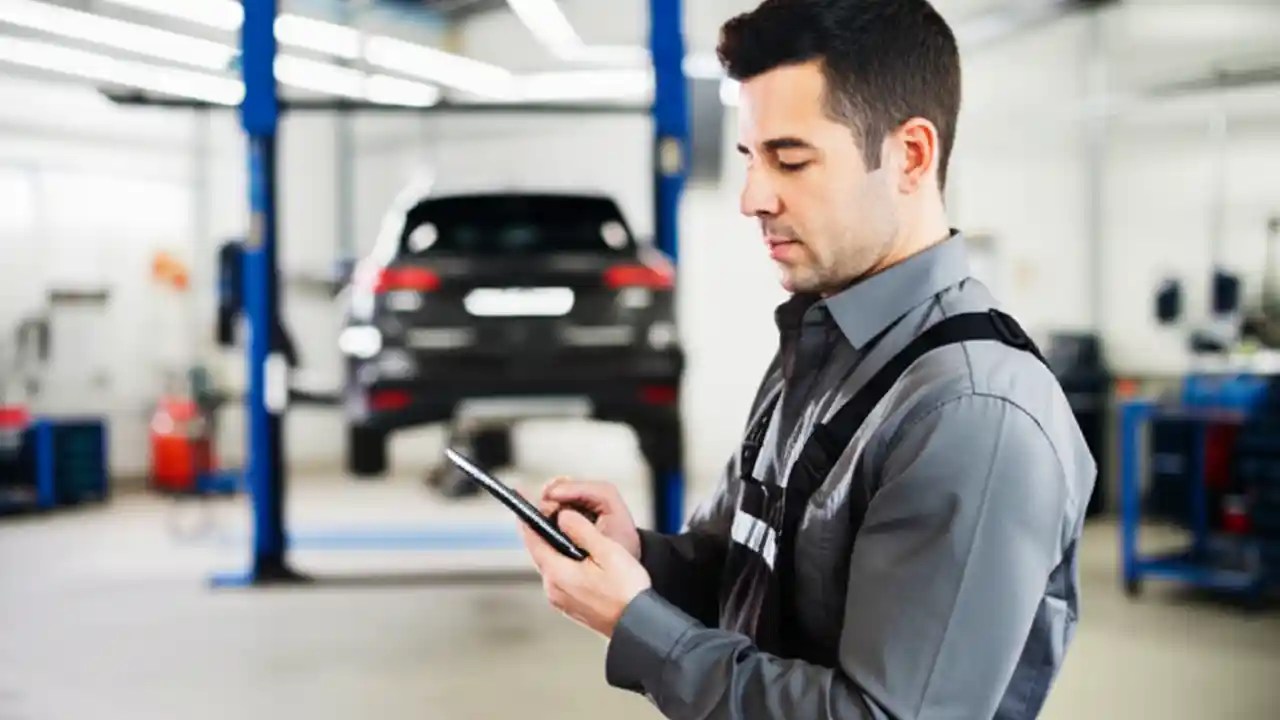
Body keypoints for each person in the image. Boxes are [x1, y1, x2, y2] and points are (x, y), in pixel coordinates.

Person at [516, 1, 1096, 718]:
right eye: (750, 158)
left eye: (791, 159)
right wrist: (638, 556)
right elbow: (748, 570)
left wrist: (638, 626)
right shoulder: (823, 343)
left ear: (910, 155)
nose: (753, 197)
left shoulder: (972, 414)